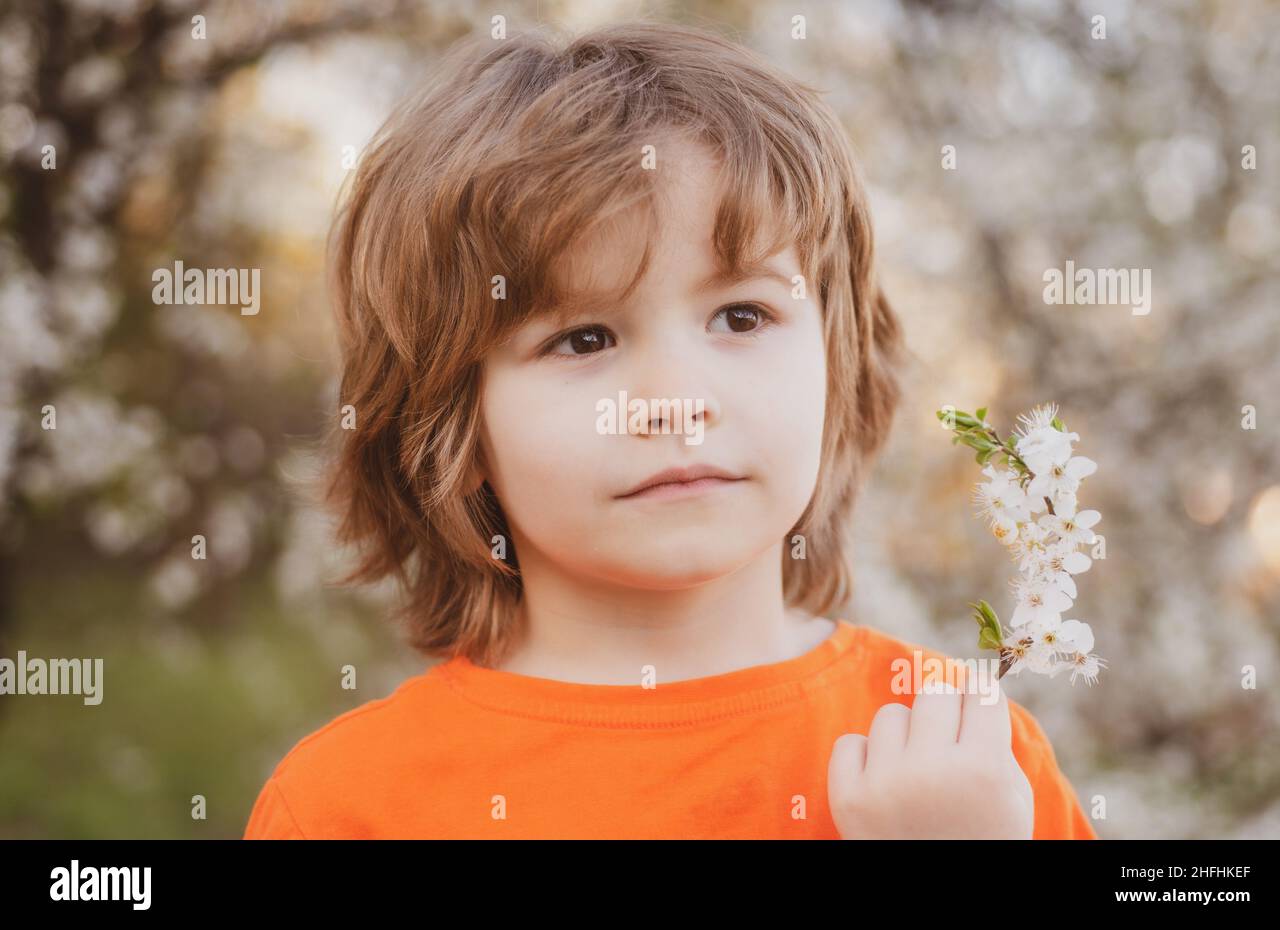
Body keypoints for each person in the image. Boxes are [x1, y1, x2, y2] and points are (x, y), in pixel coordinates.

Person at [244, 20, 1097, 840]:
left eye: (741, 315)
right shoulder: (347, 807)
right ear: (452, 425)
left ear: (835, 365)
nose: (678, 400)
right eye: (583, 339)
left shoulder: (964, 754)